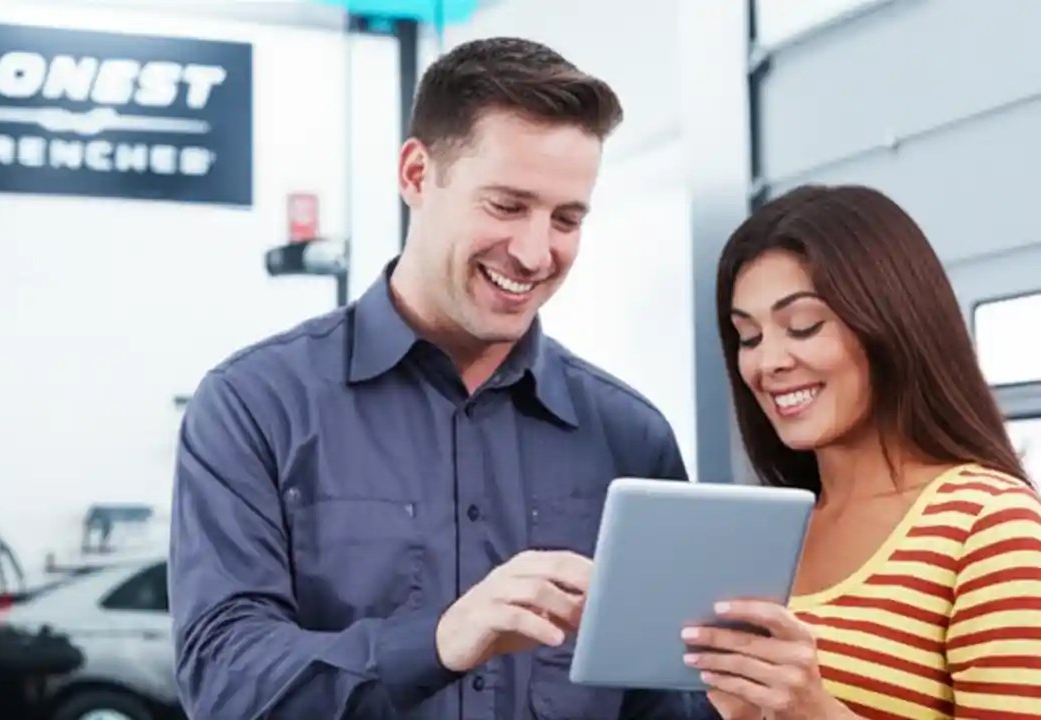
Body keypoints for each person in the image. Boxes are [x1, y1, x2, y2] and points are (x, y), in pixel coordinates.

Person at [169, 37, 709, 719]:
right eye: (507, 206)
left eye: (566, 219)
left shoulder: (631, 437)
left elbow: (661, 702)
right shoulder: (254, 408)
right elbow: (224, 681)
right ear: (417, 174)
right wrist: (437, 642)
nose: (535, 253)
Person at [684, 184, 1041, 719]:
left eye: (802, 326)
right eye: (748, 337)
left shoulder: (990, 525)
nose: (768, 362)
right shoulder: (765, 535)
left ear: (891, 323)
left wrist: (815, 711)